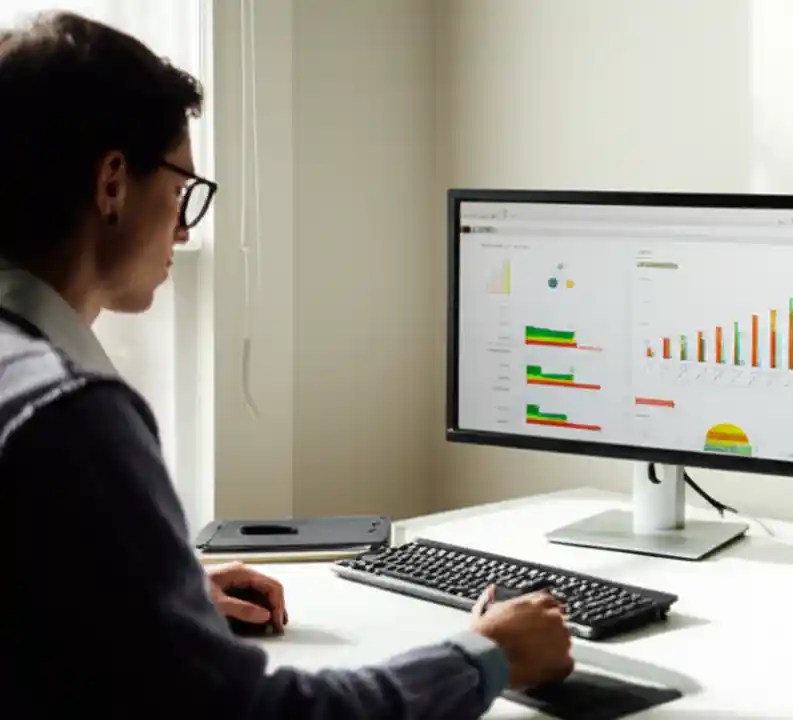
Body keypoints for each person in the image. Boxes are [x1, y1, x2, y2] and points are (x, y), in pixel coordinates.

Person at [0, 11, 572, 718]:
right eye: (179, 191)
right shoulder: (69, 417)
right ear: (113, 183)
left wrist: (154, 600)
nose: (182, 227)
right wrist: (485, 655)